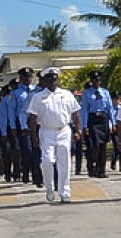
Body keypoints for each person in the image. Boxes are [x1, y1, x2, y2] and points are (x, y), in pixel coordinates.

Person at [27, 68, 82, 203]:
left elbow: (75, 114)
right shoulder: (38, 97)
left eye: (55, 79)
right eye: (50, 79)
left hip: (64, 131)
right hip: (47, 131)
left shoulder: (67, 94)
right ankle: (49, 188)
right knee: (47, 161)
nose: (53, 82)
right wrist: (33, 136)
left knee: (64, 163)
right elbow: (32, 118)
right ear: (45, 81)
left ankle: (64, 193)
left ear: (58, 80)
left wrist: (77, 130)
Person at [79, 69, 116, 178]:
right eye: (94, 80)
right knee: (95, 145)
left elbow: (110, 109)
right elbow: (84, 110)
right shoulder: (87, 93)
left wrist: (112, 123)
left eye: (98, 80)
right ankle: (93, 166)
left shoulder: (105, 92)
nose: (96, 82)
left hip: (103, 119)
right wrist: (84, 126)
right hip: (93, 119)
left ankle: (102, 170)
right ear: (91, 81)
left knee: (103, 145)